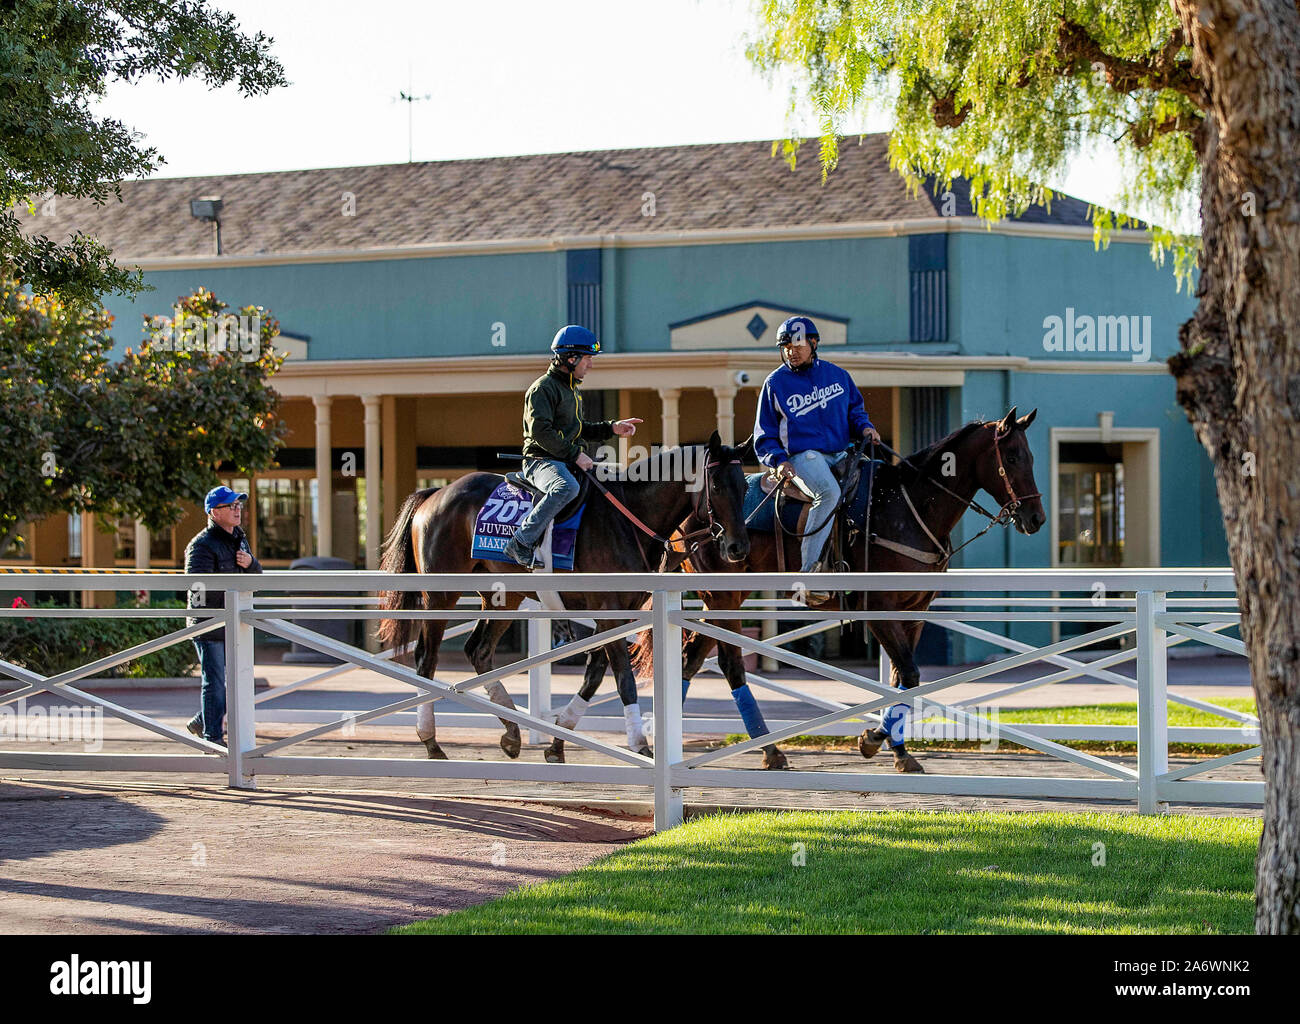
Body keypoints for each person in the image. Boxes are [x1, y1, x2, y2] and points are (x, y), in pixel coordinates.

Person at [753, 315, 881, 603]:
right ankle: (808, 575)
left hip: (840, 453)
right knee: (828, 493)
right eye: (785, 346)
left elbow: (855, 412)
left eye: (797, 344)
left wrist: (865, 427)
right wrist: (777, 460)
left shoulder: (838, 376)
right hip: (802, 456)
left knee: (879, 482)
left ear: (813, 343)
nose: (791, 351)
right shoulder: (775, 383)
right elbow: (764, 433)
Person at [503, 325, 642, 568]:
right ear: (571, 358)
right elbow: (540, 432)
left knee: (613, 476)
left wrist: (612, 428)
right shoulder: (542, 388)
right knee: (565, 487)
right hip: (540, 461)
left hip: (564, 459)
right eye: (588, 358)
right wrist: (575, 454)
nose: (591, 364)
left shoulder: (571, 391)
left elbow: (578, 428)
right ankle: (521, 542)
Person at [183, 485, 263, 744]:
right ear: (214, 513)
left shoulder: (239, 539)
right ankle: (213, 737)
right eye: (231, 506)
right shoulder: (201, 545)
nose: (237, 510)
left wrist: (251, 564)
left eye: (238, 505)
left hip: (237, 623)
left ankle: (202, 721)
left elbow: (256, 579)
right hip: (210, 625)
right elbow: (197, 589)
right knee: (215, 682)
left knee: (238, 682)